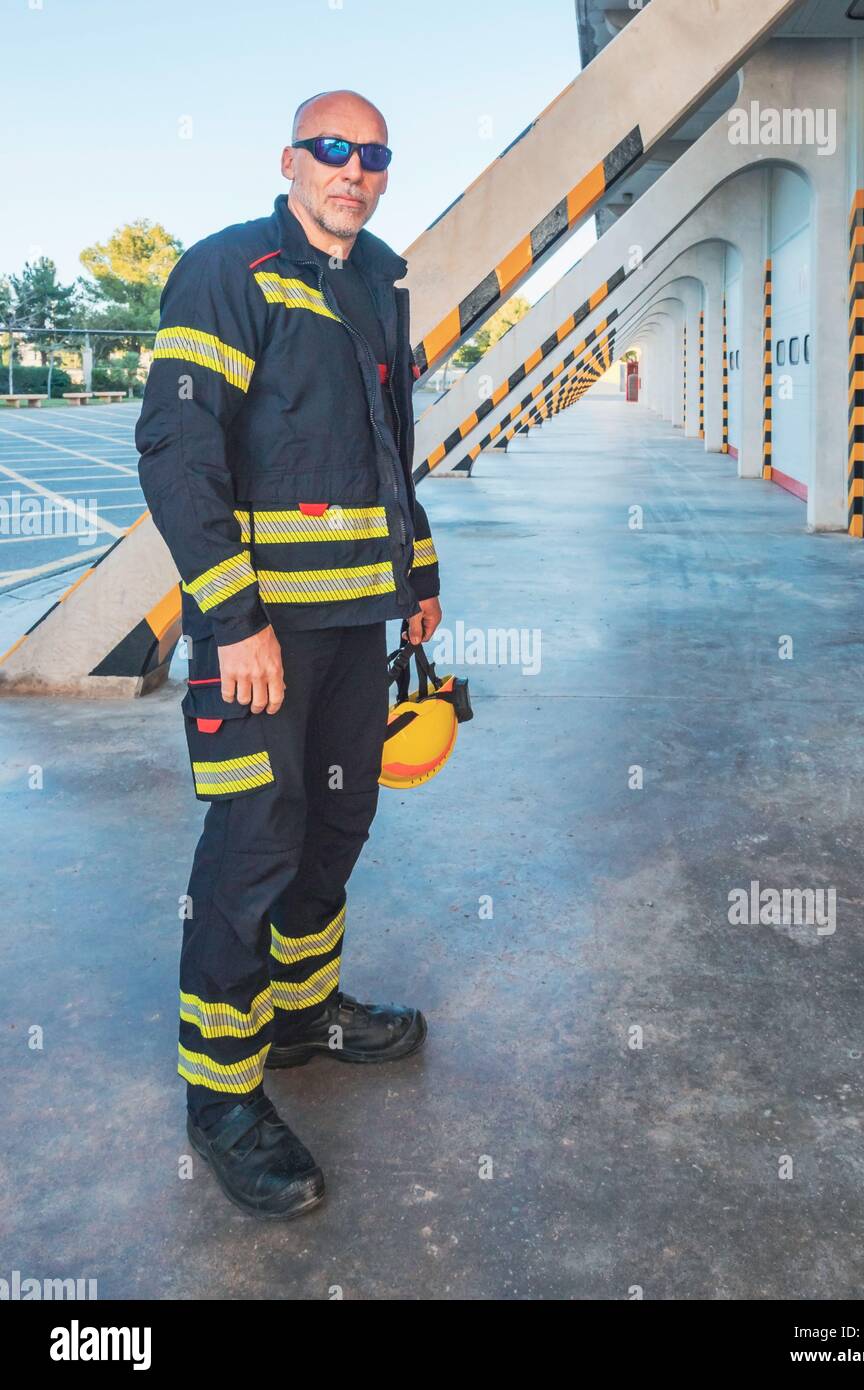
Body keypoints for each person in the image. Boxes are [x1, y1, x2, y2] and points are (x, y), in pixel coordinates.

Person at [136, 89, 442, 1220]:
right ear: (292, 161)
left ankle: (303, 1014)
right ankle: (221, 1094)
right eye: (332, 150)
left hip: (356, 626)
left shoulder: (377, 285)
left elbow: (386, 448)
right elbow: (175, 448)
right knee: (254, 847)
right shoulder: (230, 270)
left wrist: (419, 573)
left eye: (372, 154)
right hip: (257, 639)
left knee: (334, 824)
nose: (351, 170)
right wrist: (231, 618)